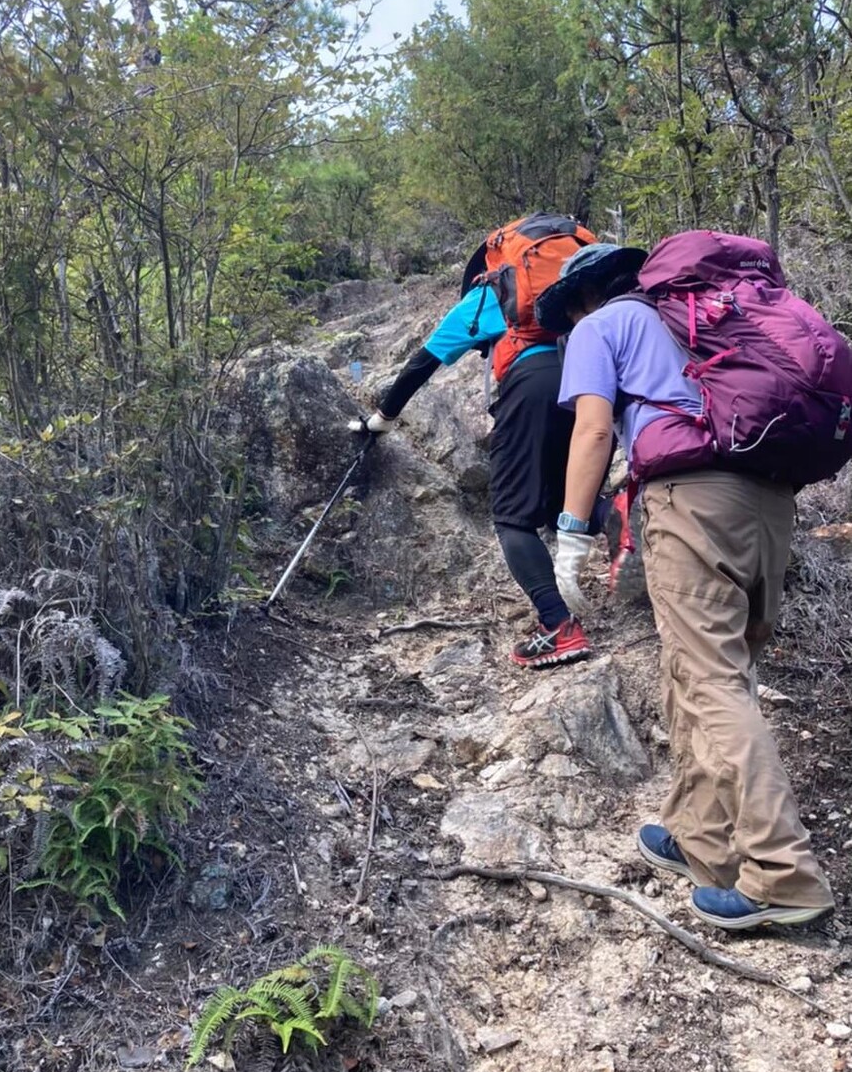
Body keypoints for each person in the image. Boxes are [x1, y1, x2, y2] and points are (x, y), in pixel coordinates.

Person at [536, 243, 834, 931]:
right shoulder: (695, 318)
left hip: (691, 500)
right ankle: (701, 835)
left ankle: (782, 876)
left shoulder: (599, 326)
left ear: (578, 300)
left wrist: (572, 533)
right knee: (706, 670)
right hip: (767, 502)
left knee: (709, 681)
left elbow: (592, 430)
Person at [350, 254, 610, 669]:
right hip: (595, 382)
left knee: (512, 517)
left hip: (532, 386)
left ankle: (559, 626)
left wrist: (382, 418)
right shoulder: (574, 280)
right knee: (569, 498)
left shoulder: (492, 292)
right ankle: (623, 513)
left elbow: (423, 362)